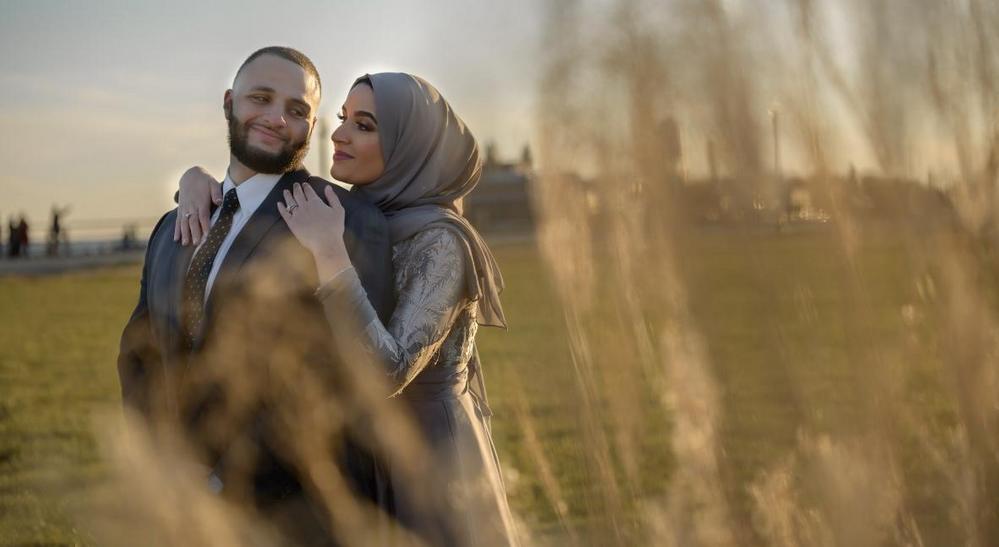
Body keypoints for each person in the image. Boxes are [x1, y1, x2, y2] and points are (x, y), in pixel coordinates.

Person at [178, 72, 518, 546]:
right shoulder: (349, 212)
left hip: (427, 455)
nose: (338, 134)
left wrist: (329, 252)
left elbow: (389, 372)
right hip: (357, 448)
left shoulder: (442, 242)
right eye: (342, 118)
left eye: (364, 125)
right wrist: (196, 180)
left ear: (409, 145)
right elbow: (254, 192)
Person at [116, 46, 395, 546]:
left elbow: (344, 379)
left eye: (296, 109)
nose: (276, 118)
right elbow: (140, 354)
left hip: (291, 515)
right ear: (229, 102)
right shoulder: (171, 227)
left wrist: (221, 477)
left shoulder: (346, 220)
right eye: (260, 98)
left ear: (312, 127)